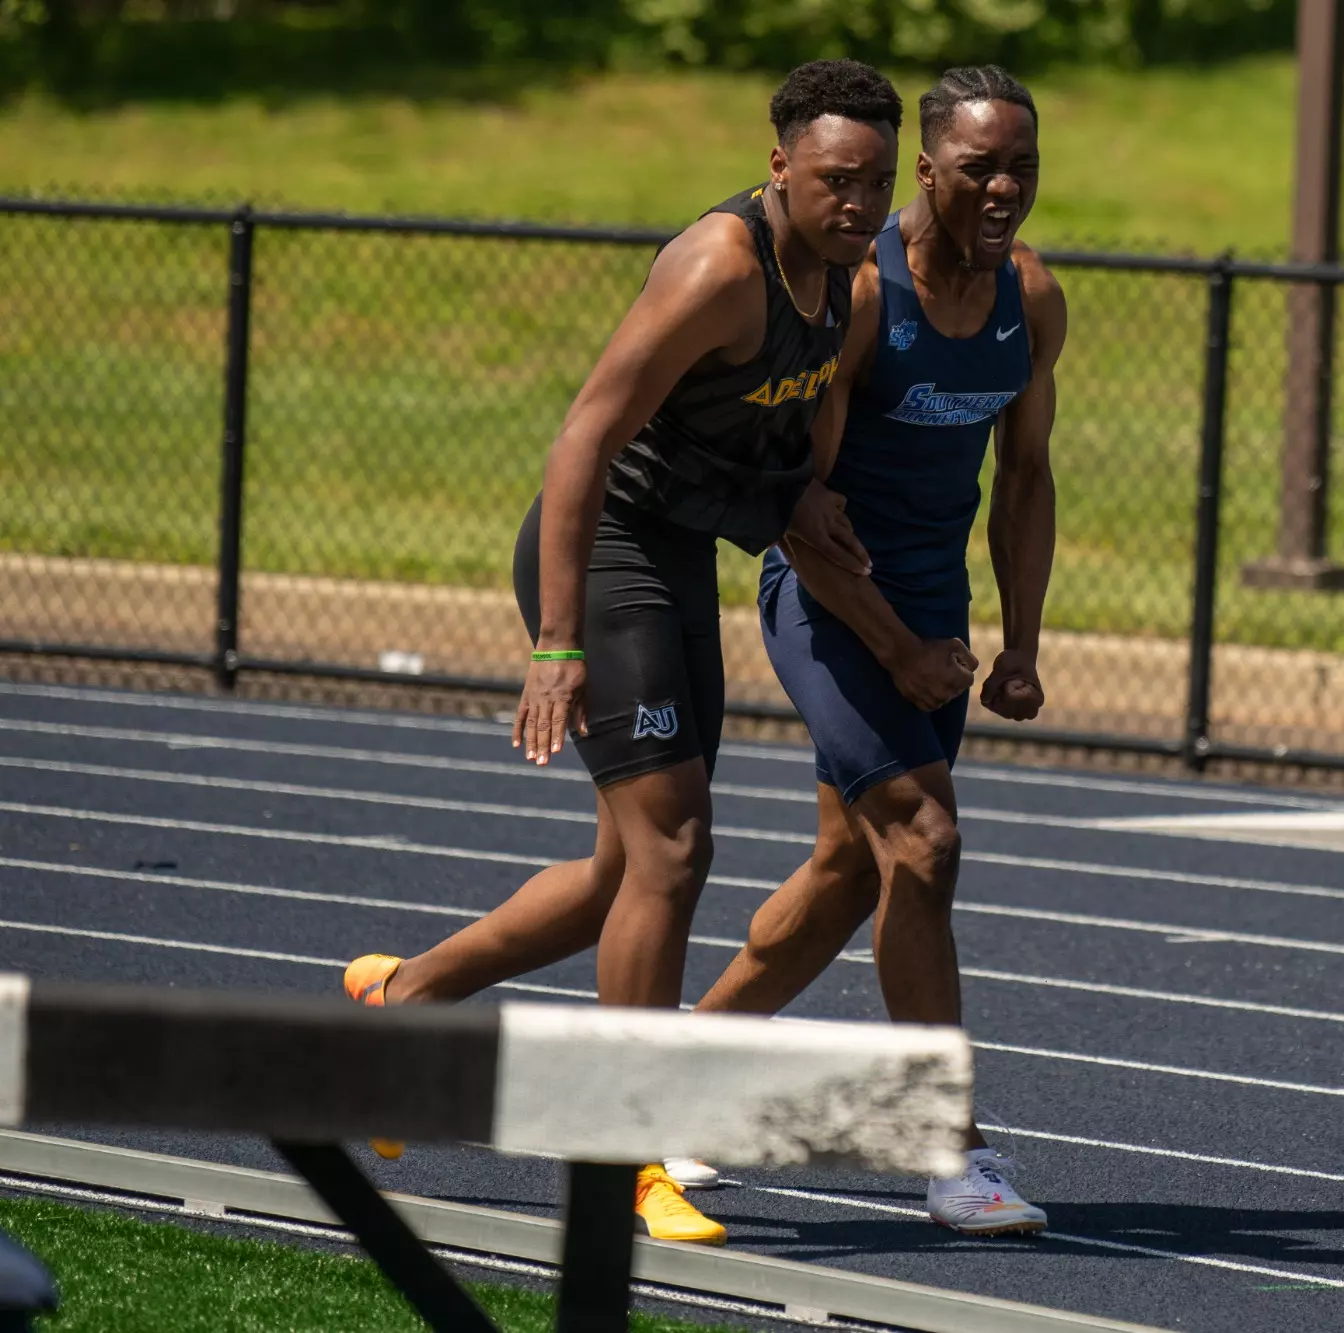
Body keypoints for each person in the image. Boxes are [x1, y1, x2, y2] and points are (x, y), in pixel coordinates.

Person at [339, 59, 902, 1247]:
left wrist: (812, 520)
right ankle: (623, 1152)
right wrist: (553, 643)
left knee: (622, 874)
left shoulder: (851, 292)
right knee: (676, 847)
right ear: (780, 168)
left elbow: (795, 445)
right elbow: (585, 432)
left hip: (677, 557)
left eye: (876, 182)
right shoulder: (718, 267)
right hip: (597, 552)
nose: (858, 203)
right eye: (836, 178)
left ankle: (406, 999)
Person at [694, 65, 1065, 1237]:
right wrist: (896, 646)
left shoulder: (1031, 296)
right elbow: (799, 501)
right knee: (924, 836)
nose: (1002, 189)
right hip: (826, 596)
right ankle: (950, 1147)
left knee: (850, 874)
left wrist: (1018, 642)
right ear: (926, 170)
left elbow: (1025, 478)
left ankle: (666, 1081)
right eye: (978, 168)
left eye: (1022, 167)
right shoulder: (863, 293)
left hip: (933, 618)